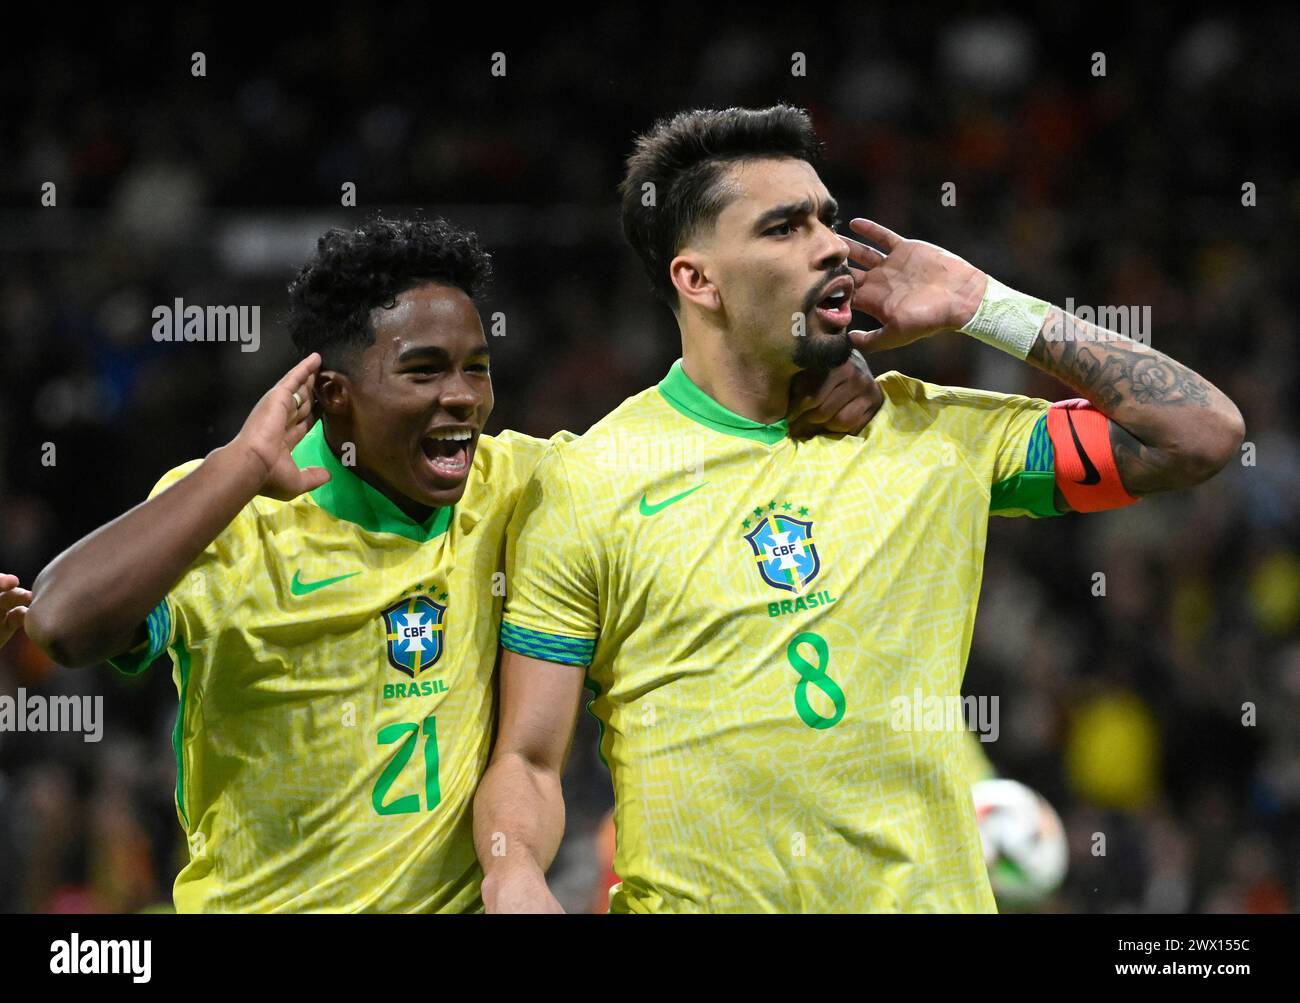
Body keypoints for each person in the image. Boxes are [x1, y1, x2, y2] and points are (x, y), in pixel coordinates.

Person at [473, 105, 1245, 913]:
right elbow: (528, 758)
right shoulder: (592, 477)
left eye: (827, 219)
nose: (831, 245)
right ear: (697, 278)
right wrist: (515, 871)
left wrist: (983, 302)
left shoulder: (932, 433)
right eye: (784, 228)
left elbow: (1199, 433)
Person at [11, 214, 882, 912]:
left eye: (476, 368)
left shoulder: (518, 485)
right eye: (424, 371)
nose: (462, 397)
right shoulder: (235, 517)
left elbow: (684, 444)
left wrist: (807, 382)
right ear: (332, 398)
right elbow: (63, 622)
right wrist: (239, 464)